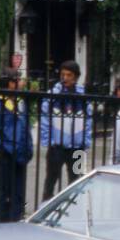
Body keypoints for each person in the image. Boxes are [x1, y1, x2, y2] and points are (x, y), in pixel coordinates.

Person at [0, 67, 34, 223]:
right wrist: (5, 149)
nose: (21, 83)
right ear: (10, 83)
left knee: (18, 193)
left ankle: (16, 220)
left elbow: (26, 128)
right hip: (4, 157)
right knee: (4, 192)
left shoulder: (21, 103)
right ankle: (2, 222)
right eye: (18, 80)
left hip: (20, 156)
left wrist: (28, 148)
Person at [39, 60, 93, 199]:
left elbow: (89, 120)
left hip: (78, 146)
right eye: (63, 75)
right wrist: (48, 140)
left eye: (69, 75)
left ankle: (75, 210)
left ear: (75, 76)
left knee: (77, 181)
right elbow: (45, 118)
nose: (65, 78)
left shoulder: (83, 96)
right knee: (51, 179)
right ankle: (46, 207)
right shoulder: (53, 95)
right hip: (57, 145)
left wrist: (86, 141)